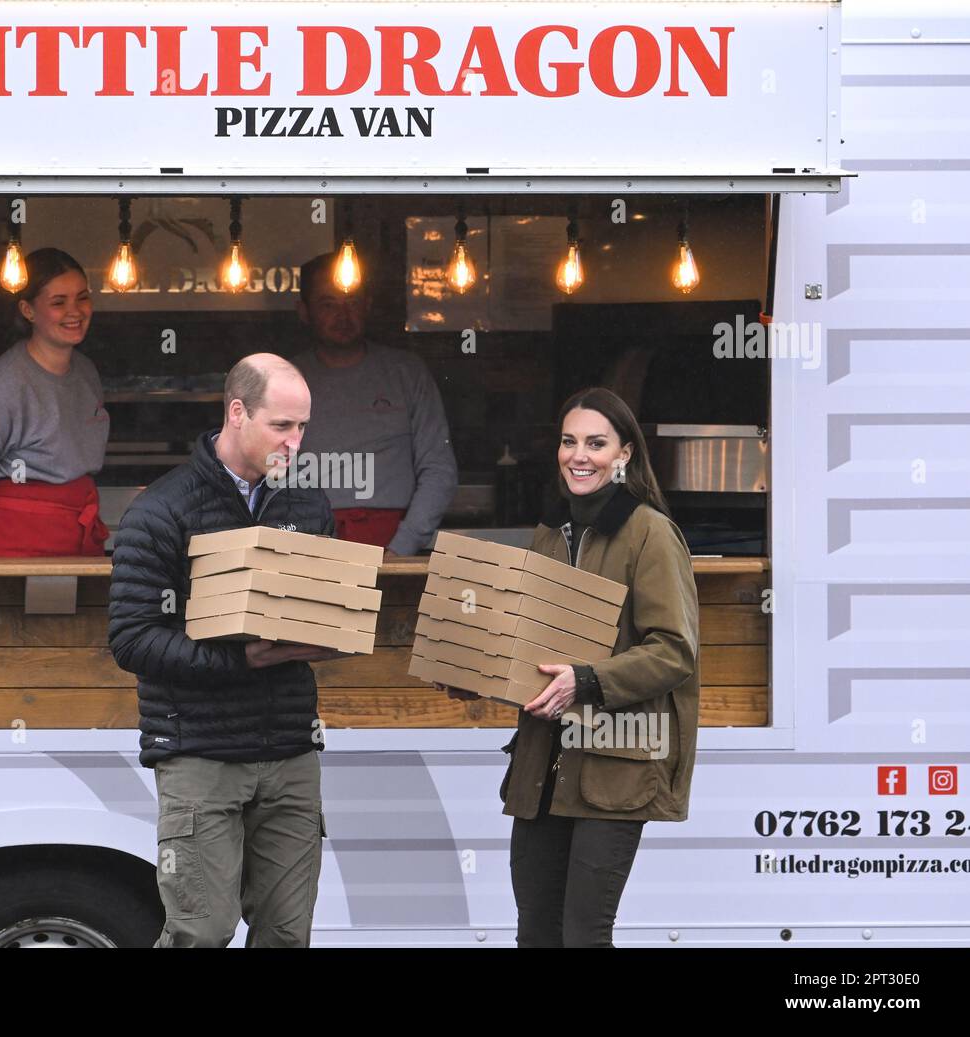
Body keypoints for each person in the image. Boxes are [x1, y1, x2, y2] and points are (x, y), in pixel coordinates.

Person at [441, 386, 699, 947]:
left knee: (583, 937)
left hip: (615, 767)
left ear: (624, 454)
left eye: (596, 443)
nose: (578, 455)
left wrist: (585, 681)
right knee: (536, 934)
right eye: (568, 441)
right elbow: (529, 648)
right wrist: (474, 671)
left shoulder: (650, 533)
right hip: (543, 767)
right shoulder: (548, 534)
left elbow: (675, 651)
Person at [108, 353, 343, 948]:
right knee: (200, 933)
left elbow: (326, 618)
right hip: (199, 752)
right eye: (282, 426)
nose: (295, 442)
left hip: (290, 748)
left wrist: (331, 633)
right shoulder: (162, 509)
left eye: (303, 427)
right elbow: (132, 639)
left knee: (287, 935)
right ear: (237, 413)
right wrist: (240, 660)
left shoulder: (307, 506)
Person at [0, 248, 110, 557]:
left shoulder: (86, 373)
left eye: (82, 297)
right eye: (58, 302)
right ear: (28, 310)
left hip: (75, 539)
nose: (75, 311)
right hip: (9, 546)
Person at [290, 251, 458, 556]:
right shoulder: (282, 379)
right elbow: (260, 471)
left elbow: (439, 468)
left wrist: (402, 548)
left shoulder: (406, 373)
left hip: (392, 538)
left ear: (367, 306)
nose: (343, 315)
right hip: (307, 542)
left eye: (352, 302)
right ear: (304, 311)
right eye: (328, 305)